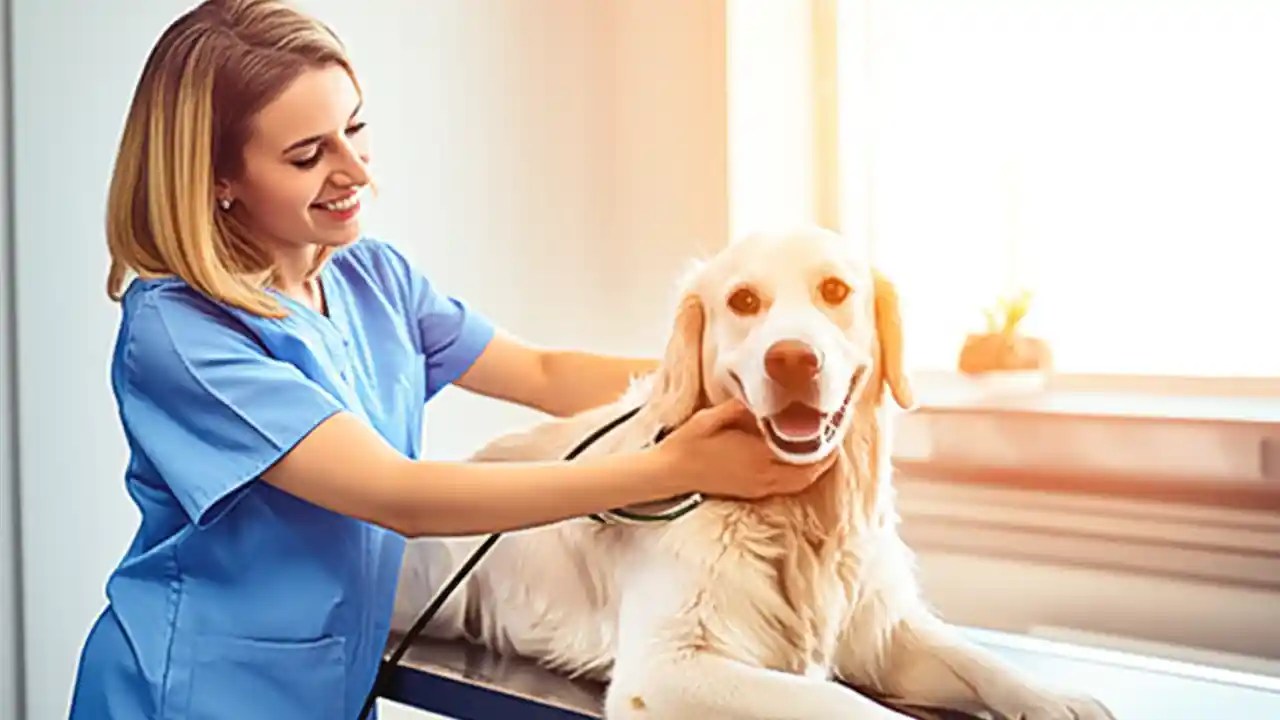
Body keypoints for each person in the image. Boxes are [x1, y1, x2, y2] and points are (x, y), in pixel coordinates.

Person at [67, 1, 834, 718]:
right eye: (308, 156)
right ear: (218, 180)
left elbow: (540, 374)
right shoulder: (182, 335)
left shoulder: (374, 278)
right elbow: (397, 495)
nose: (356, 171)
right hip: (191, 693)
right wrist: (674, 467)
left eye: (355, 130)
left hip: (328, 688)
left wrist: (722, 369)